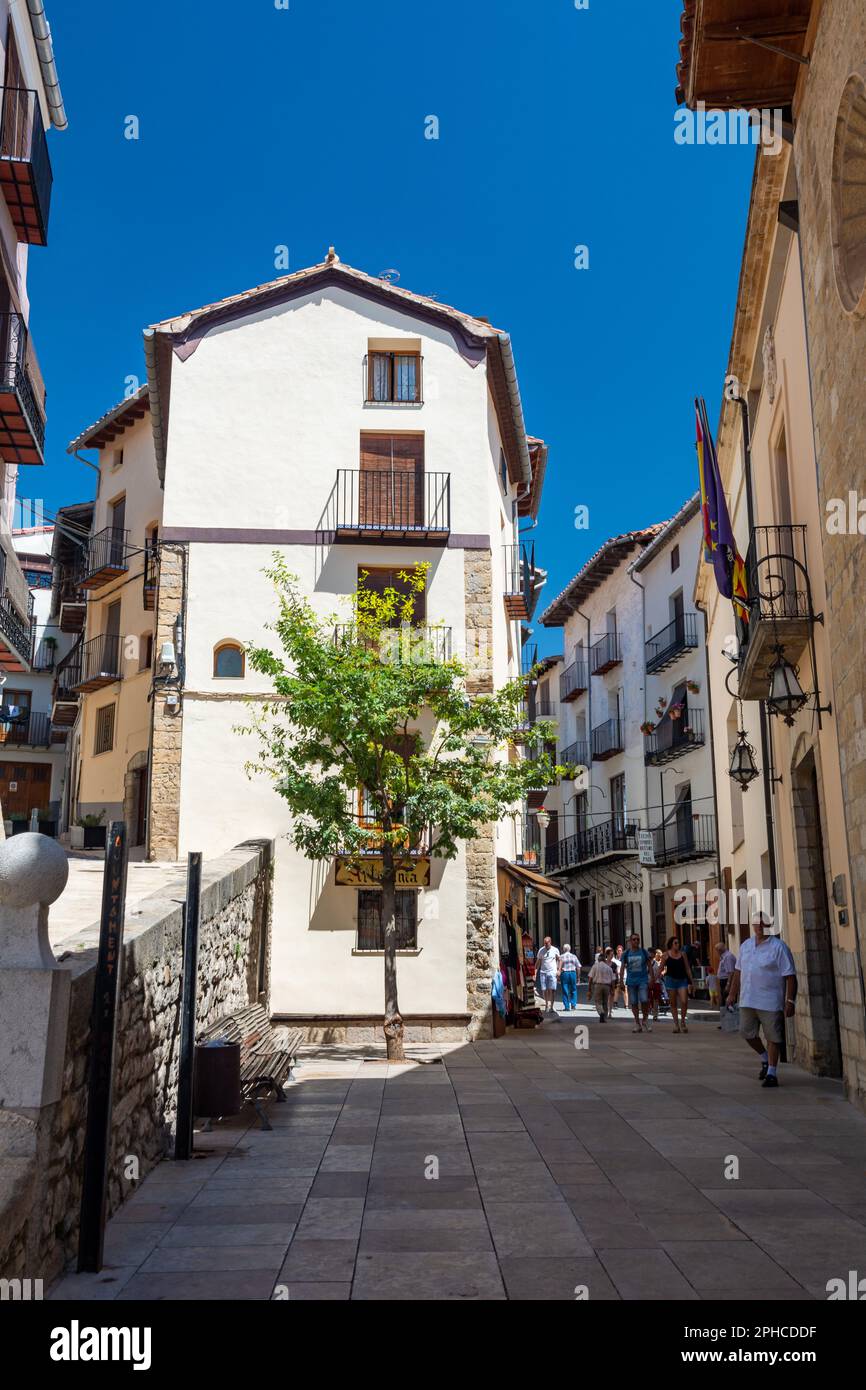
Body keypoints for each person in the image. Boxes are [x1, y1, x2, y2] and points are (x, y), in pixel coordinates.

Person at [725, 913, 796, 1088]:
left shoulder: (779, 947)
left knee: (773, 1036)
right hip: (748, 998)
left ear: (769, 925)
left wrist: (790, 1001)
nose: (759, 927)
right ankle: (764, 1058)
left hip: (770, 1000)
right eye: (756, 923)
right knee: (746, 1032)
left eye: (762, 924)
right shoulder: (746, 945)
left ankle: (772, 1073)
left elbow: (790, 976)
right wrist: (732, 994)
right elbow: (738, 971)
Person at [661, 936, 693, 1033]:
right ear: (671, 944)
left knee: (684, 1001)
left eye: (678, 943)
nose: (677, 945)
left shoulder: (683, 954)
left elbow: (687, 968)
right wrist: (655, 978)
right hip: (670, 980)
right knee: (673, 1003)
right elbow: (661, 968)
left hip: (682, 980)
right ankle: (676, 1024)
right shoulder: (666, 955)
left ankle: (683, 1021)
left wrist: (691, 981)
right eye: (675, 943)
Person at [621, 933, 653, 1032]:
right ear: (630, 941)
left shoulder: (643, 952)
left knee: (644, 1000)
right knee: (634, 1002)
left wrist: (652, 978)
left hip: (643, 980)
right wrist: (621, 980)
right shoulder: (626, 953)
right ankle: (637, 1023)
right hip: (631, 982)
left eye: (638, 939)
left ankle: (645, 1019)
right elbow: (622, 968)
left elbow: (650, 966)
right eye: (634, 939)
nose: (636, 941)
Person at [536, 936, 561, 1018]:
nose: (546, 945)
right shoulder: (541, 950)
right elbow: (538, 962)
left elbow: (560, 960)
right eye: (544, 943)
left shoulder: (555, 950)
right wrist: (535, 971)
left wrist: (559, 970)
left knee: (552, 990)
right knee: (544, 989)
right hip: (543, 972)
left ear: (550, 942)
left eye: (547, 943)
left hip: (552, 972)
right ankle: (547, 1005)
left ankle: (551, 1006)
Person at [588, 951, 615, 1022]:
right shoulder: (609, 968)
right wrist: (613, 989)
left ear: (598, 960)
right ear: (604, 960)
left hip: (597, 985)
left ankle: (601, 1012)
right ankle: (605, 1017)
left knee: (598, 1002)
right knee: (605, 1002)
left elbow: (590, 978)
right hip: (607, 986)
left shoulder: (595, 966)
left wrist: (589, 988)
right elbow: (613, 980)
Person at [559, 942, 580, 1012]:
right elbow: (578, 967)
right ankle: (573, 1005)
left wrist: (558, 977)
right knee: (573, 989)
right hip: (573, 973)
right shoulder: (574, 956)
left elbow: (558, 967)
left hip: (565, 973)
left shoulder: (561, 956)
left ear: (563, 949)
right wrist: (578, 978)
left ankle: (567, 1007)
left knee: (565, 990)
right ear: (570, 949)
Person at [716, 941, 737, 1008]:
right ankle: (726, 1016)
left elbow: (731, 972)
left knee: (727, 1002)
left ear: (720, 950)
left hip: (727, 981)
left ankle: (729, 1017)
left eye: (717, 950)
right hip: (724, 980)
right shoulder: (724, 956)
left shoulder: (728, 957)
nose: (717, 952)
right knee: (725, 1001)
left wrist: (728, 985)